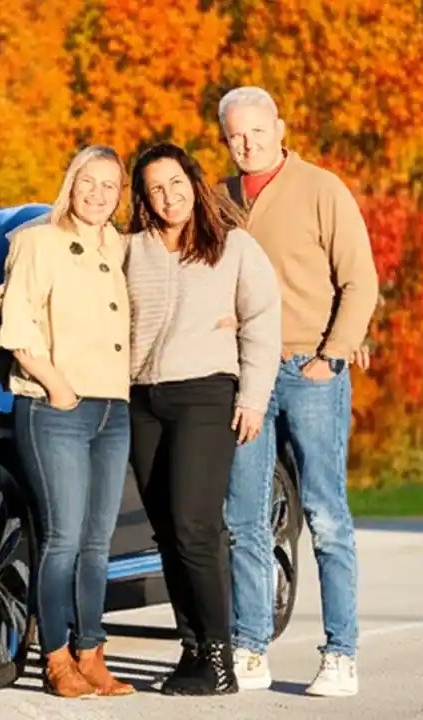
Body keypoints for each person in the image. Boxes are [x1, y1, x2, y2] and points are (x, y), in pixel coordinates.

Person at [217, 86, 379, 697]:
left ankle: (341, 655)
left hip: (310, 371)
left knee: (325, 514)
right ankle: (250, 647)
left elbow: (359, 282)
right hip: (245, 381)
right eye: (235, 135)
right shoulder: (219, 199)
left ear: (279, 127)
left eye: (257, 131)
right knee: (245, 517)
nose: (247, 143)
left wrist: (331, 355)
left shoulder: (321, 189)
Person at [123, 143, 282, 695]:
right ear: (144, 198)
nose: (169, 197)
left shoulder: (232, 245)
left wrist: (254, 396)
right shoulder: (132, 250)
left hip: (206, 396)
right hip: (142, 398)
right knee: (166, 529)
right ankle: (190, 648)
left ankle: (220, 657)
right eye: (156, 189)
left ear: (194, 181)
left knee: (196, 524)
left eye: (176, 183)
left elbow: (262, 317)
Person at [0, 145, 136, 699]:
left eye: (110, 186)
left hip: (113, 408)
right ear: (70, 182)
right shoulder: (36, 241)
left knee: (98, 542)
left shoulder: (119, 246)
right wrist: (58, 387)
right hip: (56, 406)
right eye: (89, 181)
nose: (98, 194)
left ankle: (92, 653)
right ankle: (56, 660)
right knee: (63, 538)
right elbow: (18, 327)